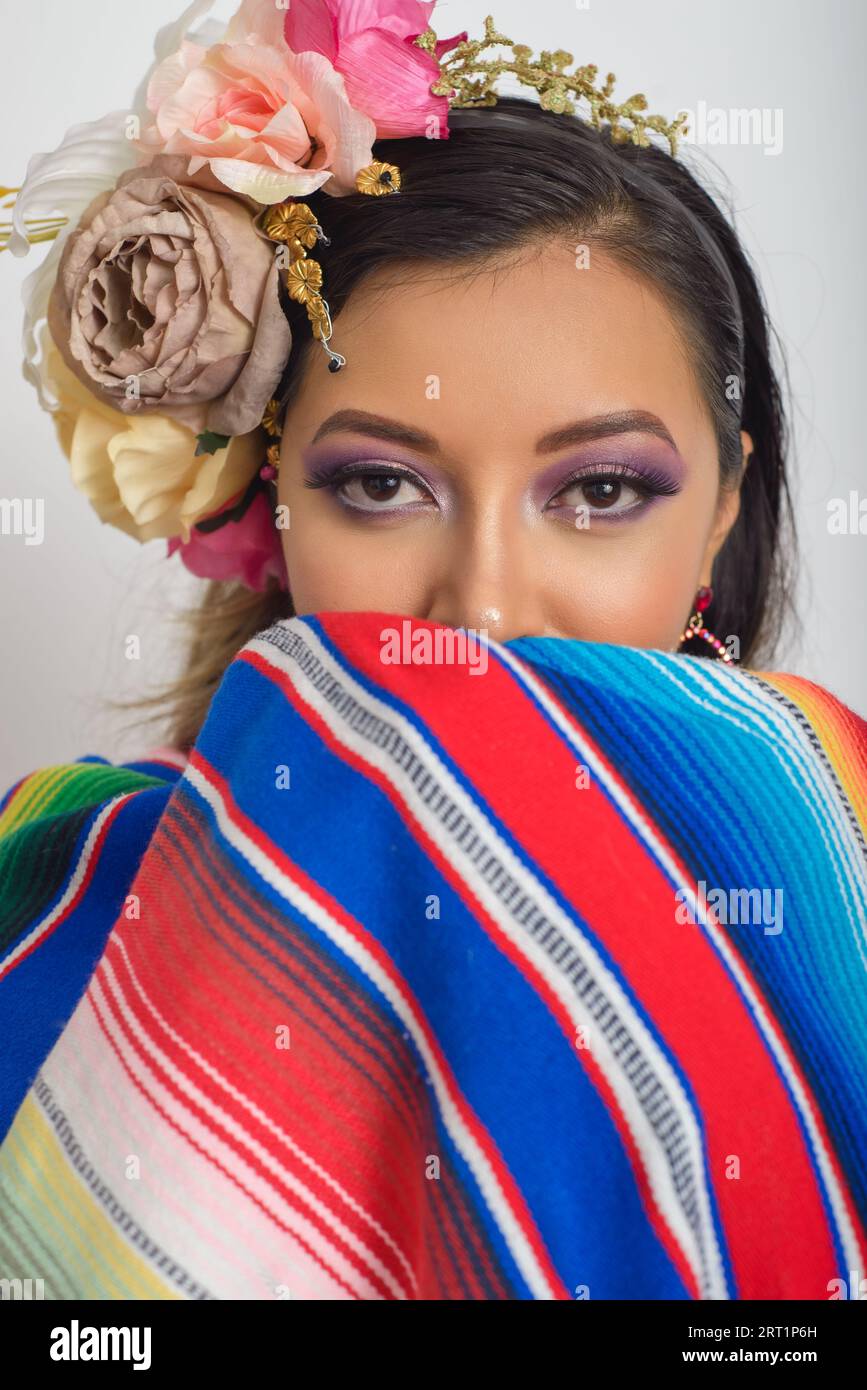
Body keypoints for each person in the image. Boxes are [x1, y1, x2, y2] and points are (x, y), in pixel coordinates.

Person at [1, 0, 865, 1301]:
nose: (485, 610)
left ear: (724, 510)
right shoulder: (53, 898)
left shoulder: (840, 885)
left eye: (601, 491)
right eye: (383, 487)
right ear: (266, 491)